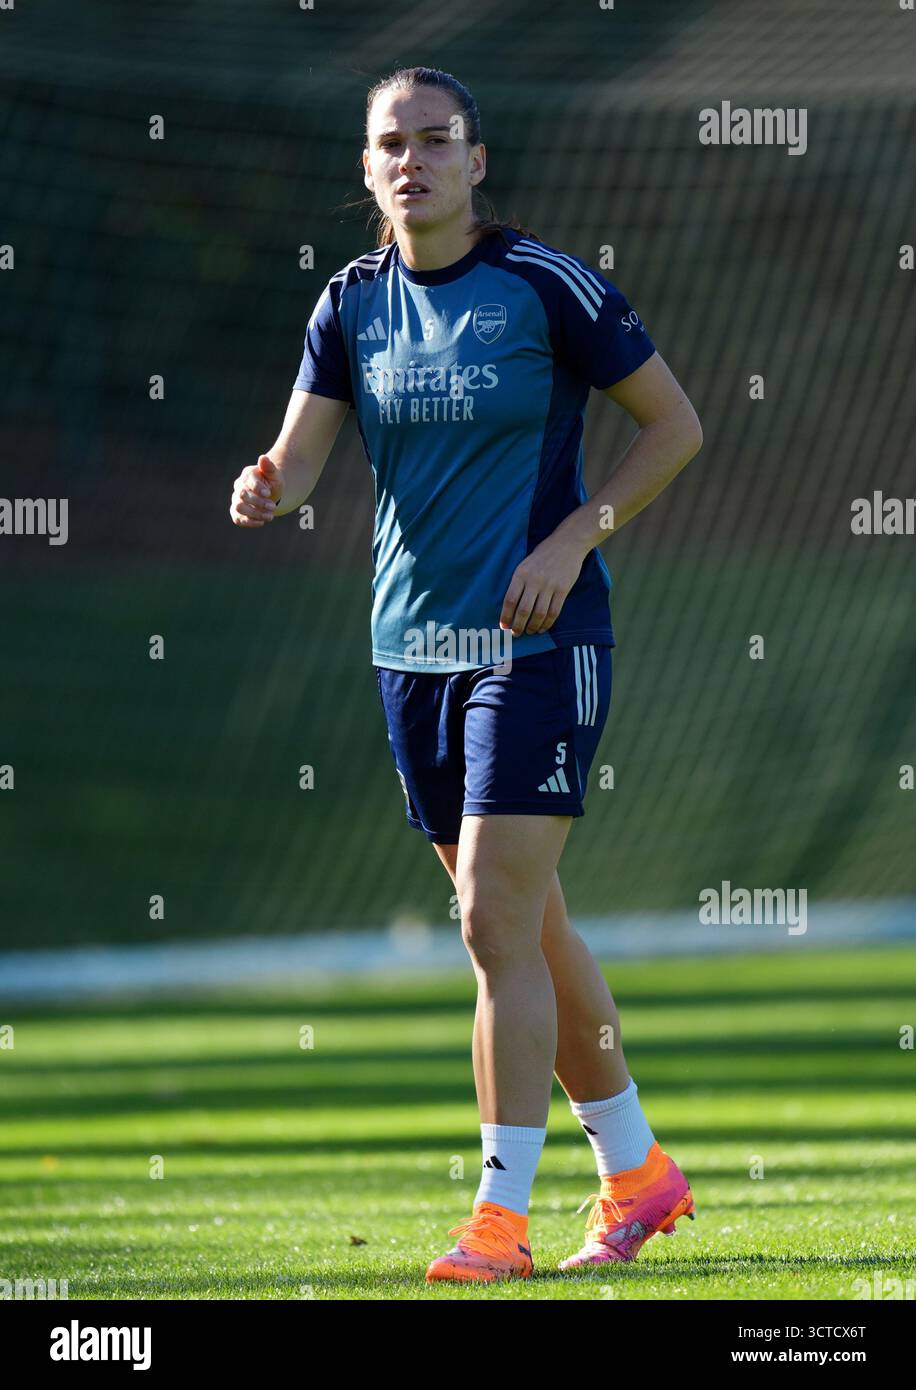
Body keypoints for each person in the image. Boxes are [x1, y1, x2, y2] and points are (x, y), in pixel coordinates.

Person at [229, 66, 703, 1284]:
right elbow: (299, 456)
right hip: (411, 654)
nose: (413, 160)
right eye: (392, 143)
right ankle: (640, 1169)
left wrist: (571, 536)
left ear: (476, 161)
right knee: (528, 928)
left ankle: (499, 1218)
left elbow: (674, 426)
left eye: (436, 140)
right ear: (368, 168)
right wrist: (267, 484)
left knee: (493, 915)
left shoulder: (543, 284)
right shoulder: (347, 302)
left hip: (539, 645)